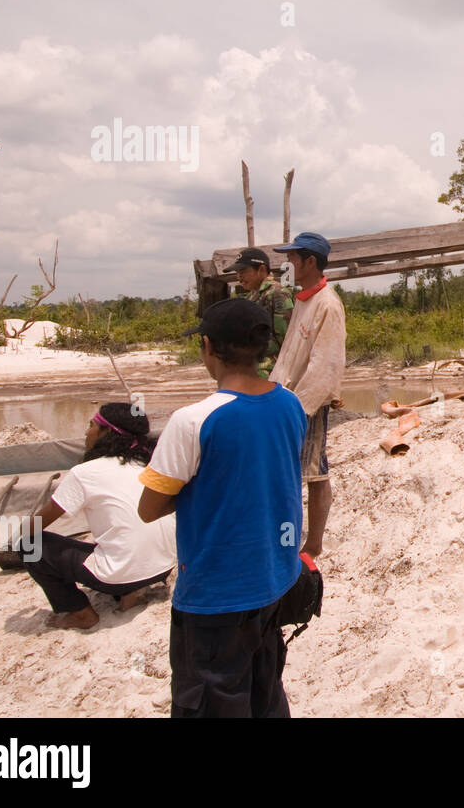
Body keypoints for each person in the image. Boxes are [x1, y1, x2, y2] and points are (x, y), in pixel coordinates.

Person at [137, 299, 306, 718]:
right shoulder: (290, 404)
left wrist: (204, 487)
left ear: (208, 347)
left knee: (211, 698)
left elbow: (148, 507)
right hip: (274, 581)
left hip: (215, 596)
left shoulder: (193, 420)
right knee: (265, 690)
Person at [22, 403, 176, 631]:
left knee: (29, 545)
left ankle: (81, 614)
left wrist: (15, 537)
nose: (86, 432)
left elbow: (37, 525)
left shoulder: (85, 472)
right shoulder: (147, 465)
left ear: (107, 433)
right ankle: (129, 593)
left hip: (123, 573)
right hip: (162, 567)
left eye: (91, 425)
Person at [270, 231, 346, 560]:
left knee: (314, 472)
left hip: (303, 405)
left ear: (310, 262)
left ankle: (312, 545)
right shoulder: (305, 300)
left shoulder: (328, 304)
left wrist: (298, 410)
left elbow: (324, 366)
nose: (290, 265)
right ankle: (292, 538)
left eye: (294, 259)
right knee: (295, 471)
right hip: (286, 399)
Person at [229, 246, 294, 377]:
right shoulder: (252, 295)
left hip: (271, 370)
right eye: (238, 273)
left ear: (262, 270)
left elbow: (286, 338)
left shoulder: (277, 293)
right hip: (253, 365)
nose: (239, 277)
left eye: (244, 271)